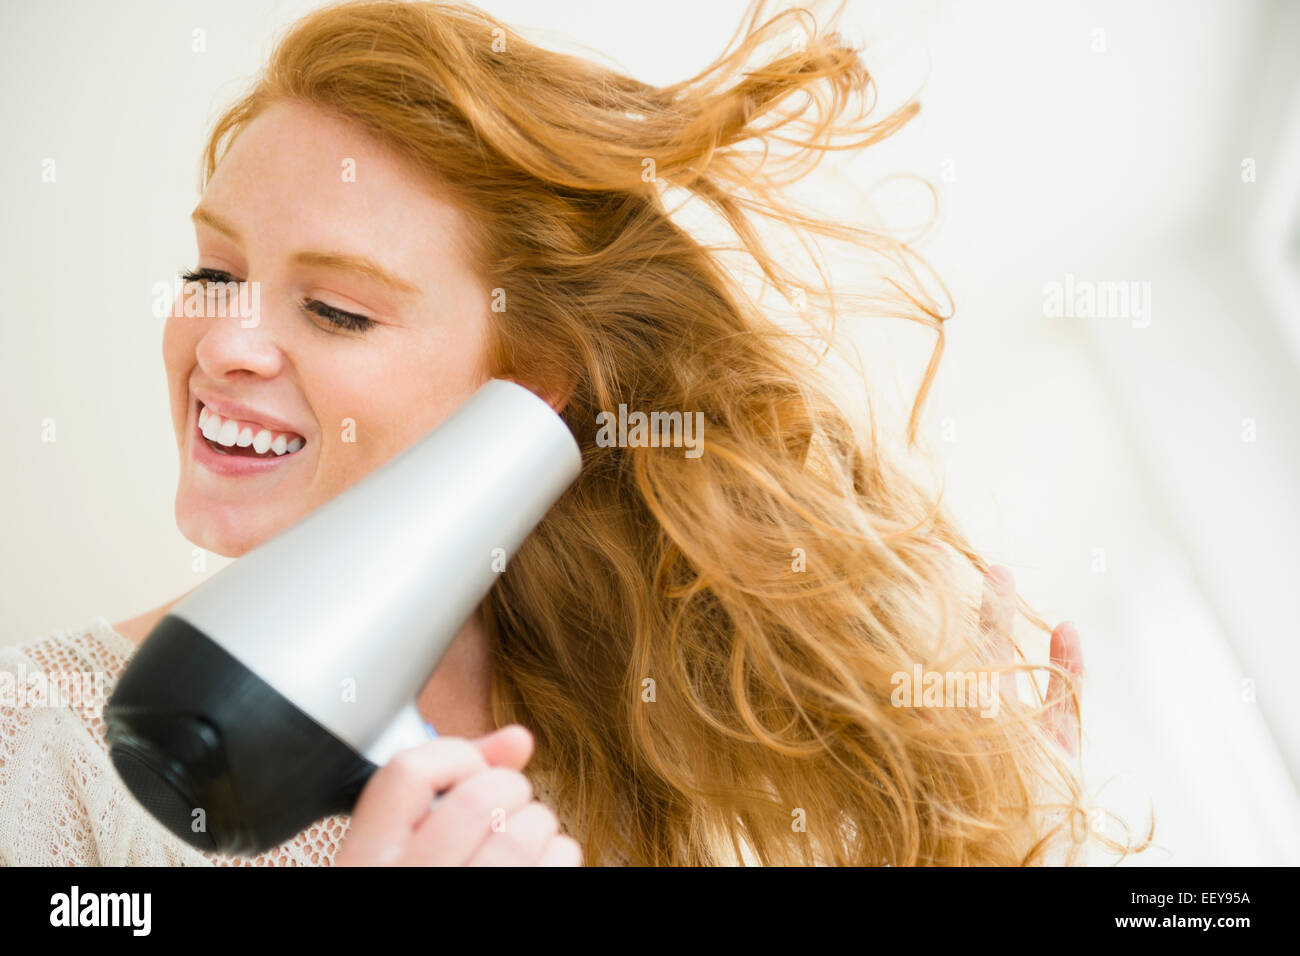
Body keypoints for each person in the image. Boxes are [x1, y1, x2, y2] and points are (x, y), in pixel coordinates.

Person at [0, 0, 1150, 866]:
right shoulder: (35, 749)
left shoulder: (676, 765)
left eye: (337, 308)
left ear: (528, 385)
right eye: (212, 271)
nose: (221, 341)